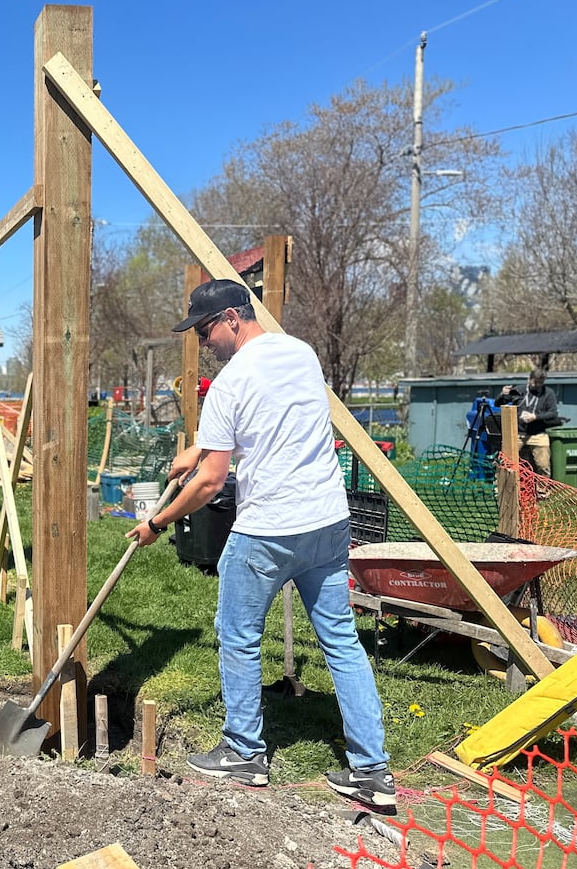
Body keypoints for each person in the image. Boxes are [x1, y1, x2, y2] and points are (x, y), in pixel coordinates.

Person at [127, 279, 395, 810]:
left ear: (231, 318)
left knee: (238, 634)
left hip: (269, 528)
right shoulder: (301, 353)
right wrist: (200, 447)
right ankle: (373, 772)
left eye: (205, 330)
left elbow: (209, 484)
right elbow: (274, 419)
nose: (204, 342)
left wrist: (157, 523)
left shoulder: (228, 384)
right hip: (327, 522)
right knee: (341, 640)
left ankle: (244, 752)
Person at [495, 368, 559, 490]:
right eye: (534, 382)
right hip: (517, 433)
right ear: (529, 379)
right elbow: (498, 403)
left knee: (543, 465)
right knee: (505, 462)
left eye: (539, 383)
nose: (536, 385)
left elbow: (553, 413)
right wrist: (503, 394)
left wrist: (536, 417)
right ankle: (501, 489)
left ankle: (542, 492)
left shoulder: (548, 393)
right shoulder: (519, 390)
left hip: (537, 433)